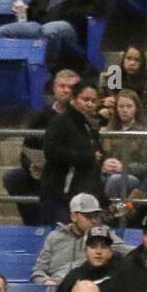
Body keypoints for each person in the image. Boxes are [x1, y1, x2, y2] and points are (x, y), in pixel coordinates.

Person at [3, 68, 81, 226]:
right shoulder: (40, 117)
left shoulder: (82, 115)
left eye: (71, 87)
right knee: (12, 178)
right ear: (54, 88)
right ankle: (33, 224)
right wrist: (31, 166)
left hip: (70, 175)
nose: (66, 90)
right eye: (62, 86)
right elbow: (26, 151)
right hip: (43, 173)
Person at [39, 80, 105, 225]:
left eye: (93, 101)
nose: (89, 104)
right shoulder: (60, 122)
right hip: (59, 195)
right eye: (85, 99)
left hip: (81, 194)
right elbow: (52, 152)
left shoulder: (89, 126)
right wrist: (88, 156)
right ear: (73, 99)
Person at [33, 193, 124, 287]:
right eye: (88, 216)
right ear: (74, 217)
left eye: (96, 216)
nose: (94, 221)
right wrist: (44, 281)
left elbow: (126, 251)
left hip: (89, 290)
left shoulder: (103, 235)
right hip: (56, 288)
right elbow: (39, 270)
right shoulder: (55, 237)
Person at [47, 224, 124, 292]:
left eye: (103, 247)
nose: (98, 252)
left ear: (110, 252)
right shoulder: (74, 276)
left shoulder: (121, 276)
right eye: (93, 247)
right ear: (85, 251)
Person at [100, 89, 147, 208]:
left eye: (129, 106)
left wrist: (124, 167)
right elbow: (101, 155)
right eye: (121, 106)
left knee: (115, 180)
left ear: (136, 108)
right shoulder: (109, 131)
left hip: (134, 177)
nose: (124, 110)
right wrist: (103, 164)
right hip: (108, 173)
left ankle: (110, 215)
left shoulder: (146, 134)